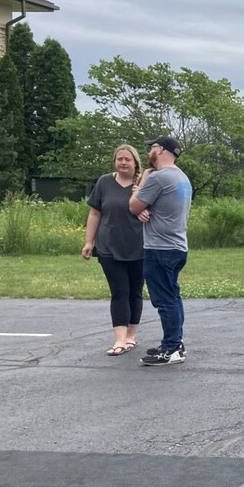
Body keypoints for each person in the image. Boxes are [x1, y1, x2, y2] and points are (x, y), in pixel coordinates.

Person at [129, 136, 192, 366]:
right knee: (173, 297)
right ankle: (176, 342)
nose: (149, 151)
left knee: (164, 300)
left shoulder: (159, 177)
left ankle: (171, 348)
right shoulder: (180, 176)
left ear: (162, 150)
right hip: (177, 246)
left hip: (160, 247)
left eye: (152, 147)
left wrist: (144, 178)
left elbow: (134, 204)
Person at [82, 144, 145, 355]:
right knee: (119, 291)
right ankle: (119, 340)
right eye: (120, 159)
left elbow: (157, 209)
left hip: (139, 246)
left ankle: (131, 336)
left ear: (135, 162)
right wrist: (89, 242)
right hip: (109, 246)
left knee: (134, 292)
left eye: (127, 159)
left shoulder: (145, 182)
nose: (123, 163)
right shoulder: (104, 182)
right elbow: (95, 213)